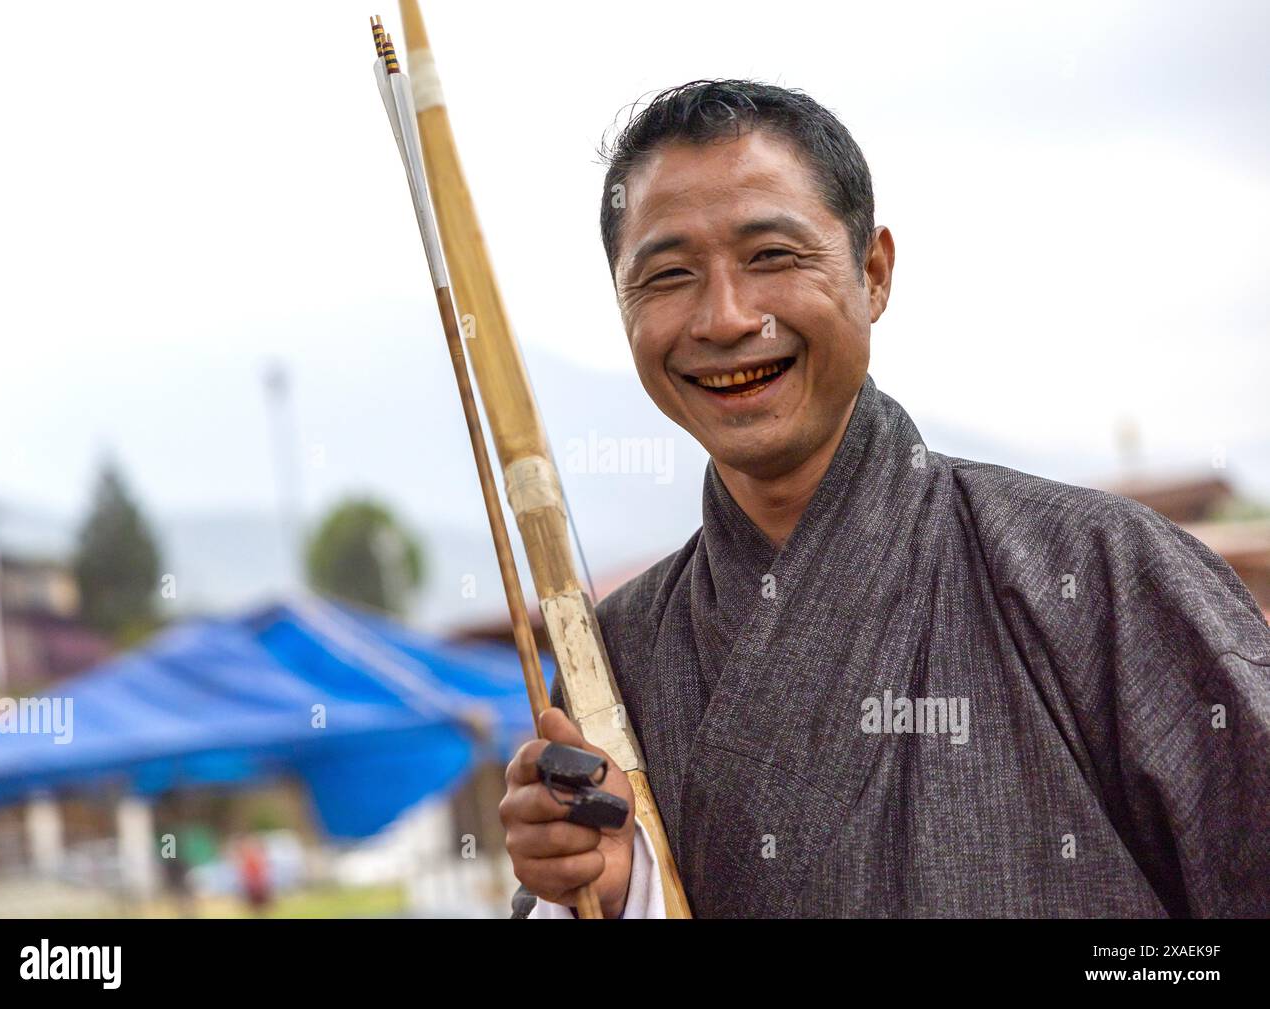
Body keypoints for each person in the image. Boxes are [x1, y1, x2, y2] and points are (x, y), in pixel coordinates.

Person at [499, 80, 1270, 918]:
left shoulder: (1097, 571)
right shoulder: (610, 659)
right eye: (671, 274)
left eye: (771, 257)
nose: (724, 317)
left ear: (873, 273)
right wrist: (609, 895)